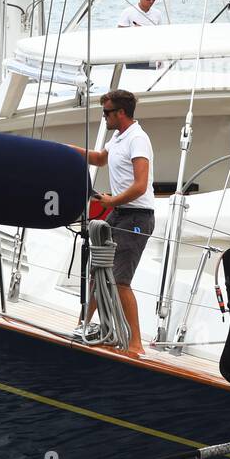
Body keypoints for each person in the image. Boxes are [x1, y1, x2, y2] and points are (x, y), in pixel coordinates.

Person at [68, 89, 155, 354]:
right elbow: (100, 159)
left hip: (137, 217)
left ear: (120, 113)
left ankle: (136, 344)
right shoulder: (118, 137)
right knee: (98, 272)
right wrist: (66, 150)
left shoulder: (138, 139)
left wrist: (111, 201)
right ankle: (84, 325)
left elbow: (140, 186)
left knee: (119, 281)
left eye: (107, 112)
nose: (104, 117)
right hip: (119, 213)